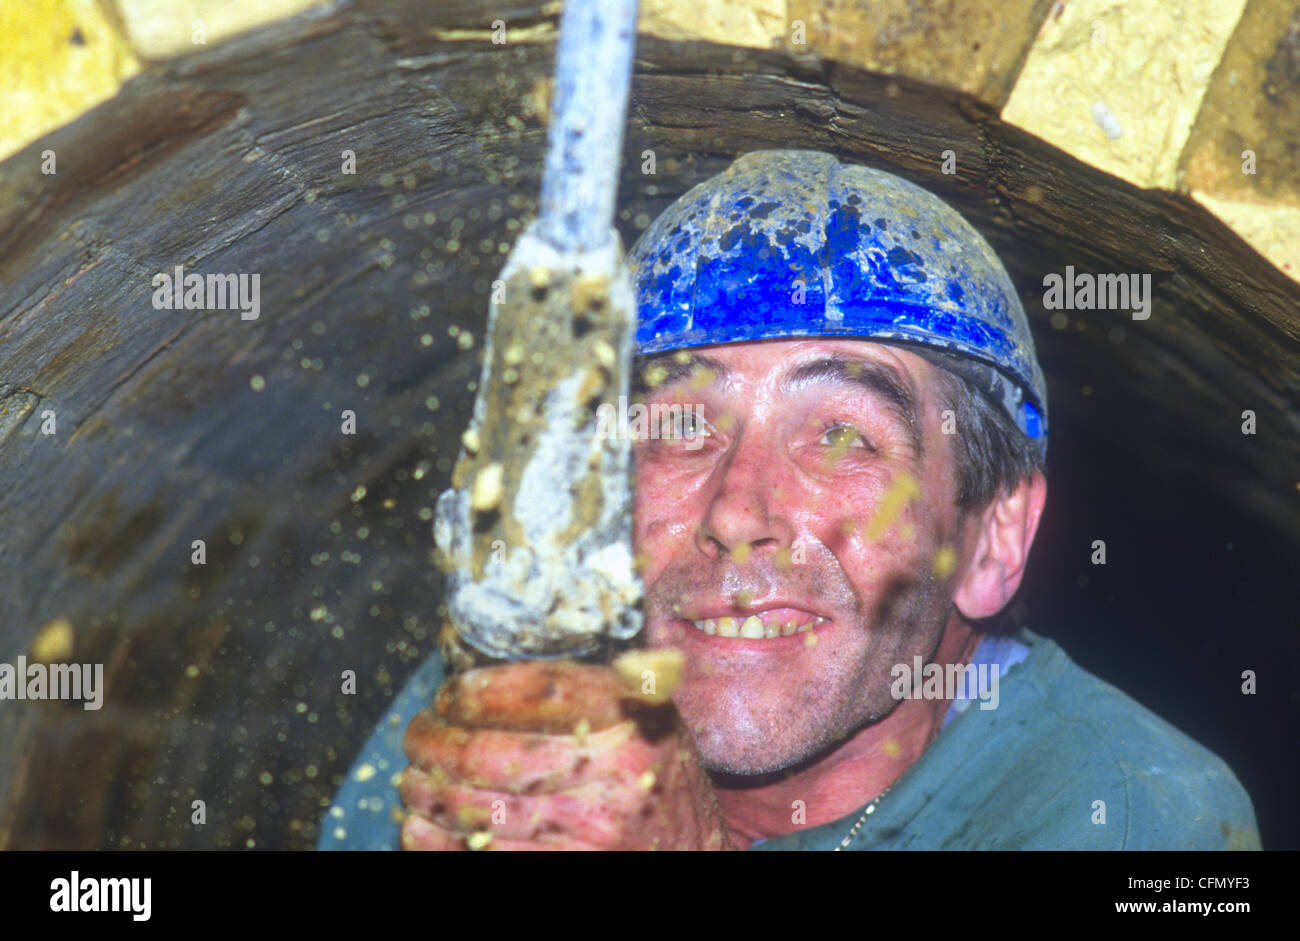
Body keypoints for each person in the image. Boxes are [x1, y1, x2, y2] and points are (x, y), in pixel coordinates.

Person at [318, 150, 1260, 851]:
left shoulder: (1137, 810)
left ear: (993, 537)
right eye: (680, 427)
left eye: (843, 436)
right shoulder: (522, 700)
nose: (737, 512)